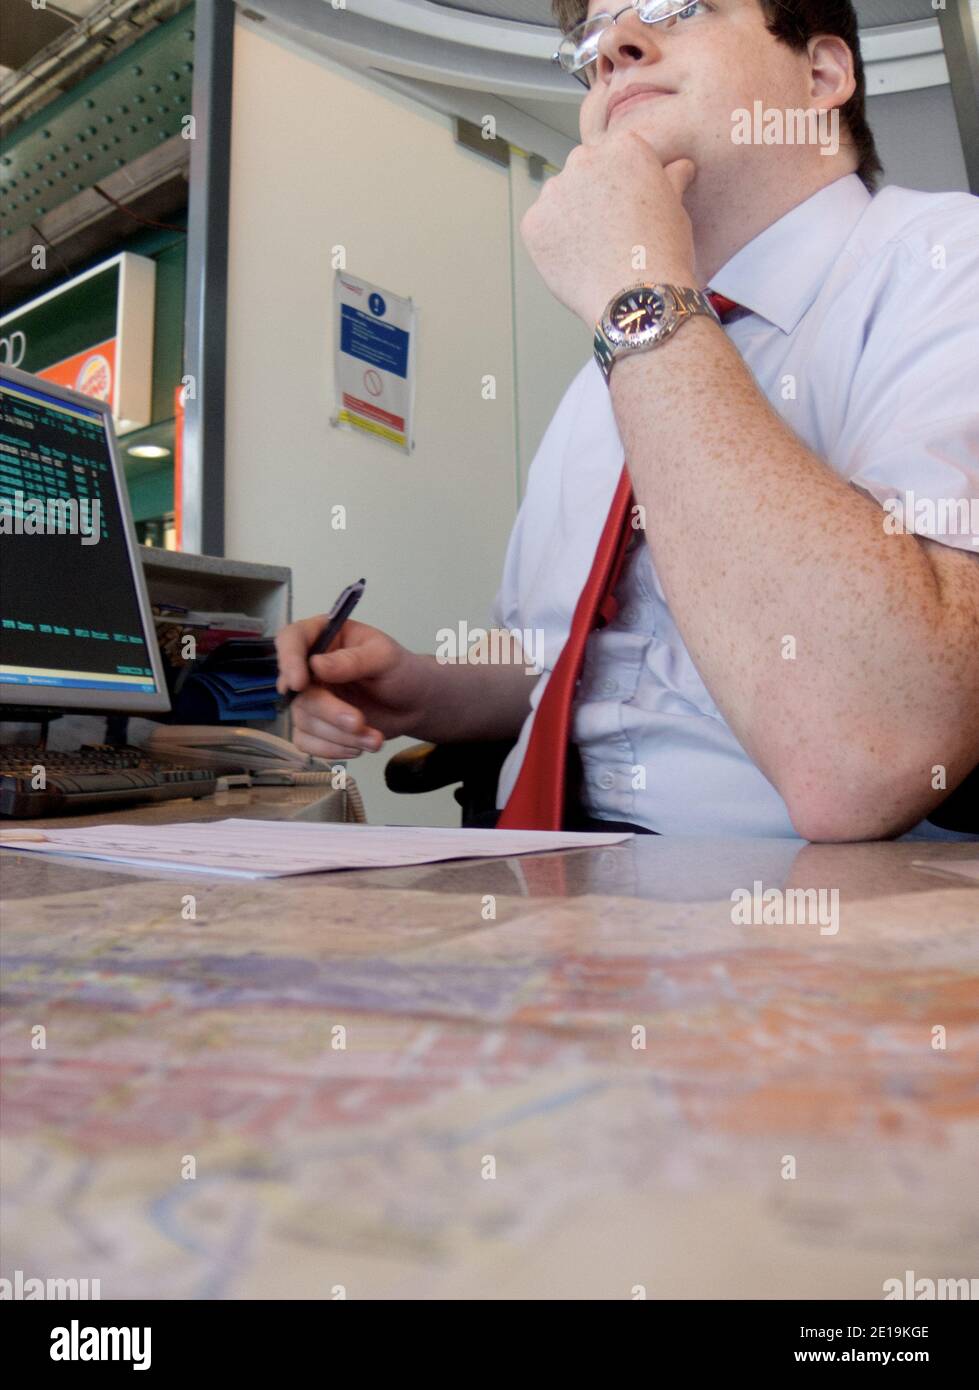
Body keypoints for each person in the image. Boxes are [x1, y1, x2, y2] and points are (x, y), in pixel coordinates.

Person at [275, 0, 979, 842]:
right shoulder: (606, 370)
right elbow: (565, 660)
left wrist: (637, 299)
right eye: (591, 42)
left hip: (788, 904)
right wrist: (420, 689)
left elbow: (872, 750)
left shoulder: (946, 265)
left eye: (677, 8)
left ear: (822, 73)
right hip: (540, 866)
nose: (612, 48)